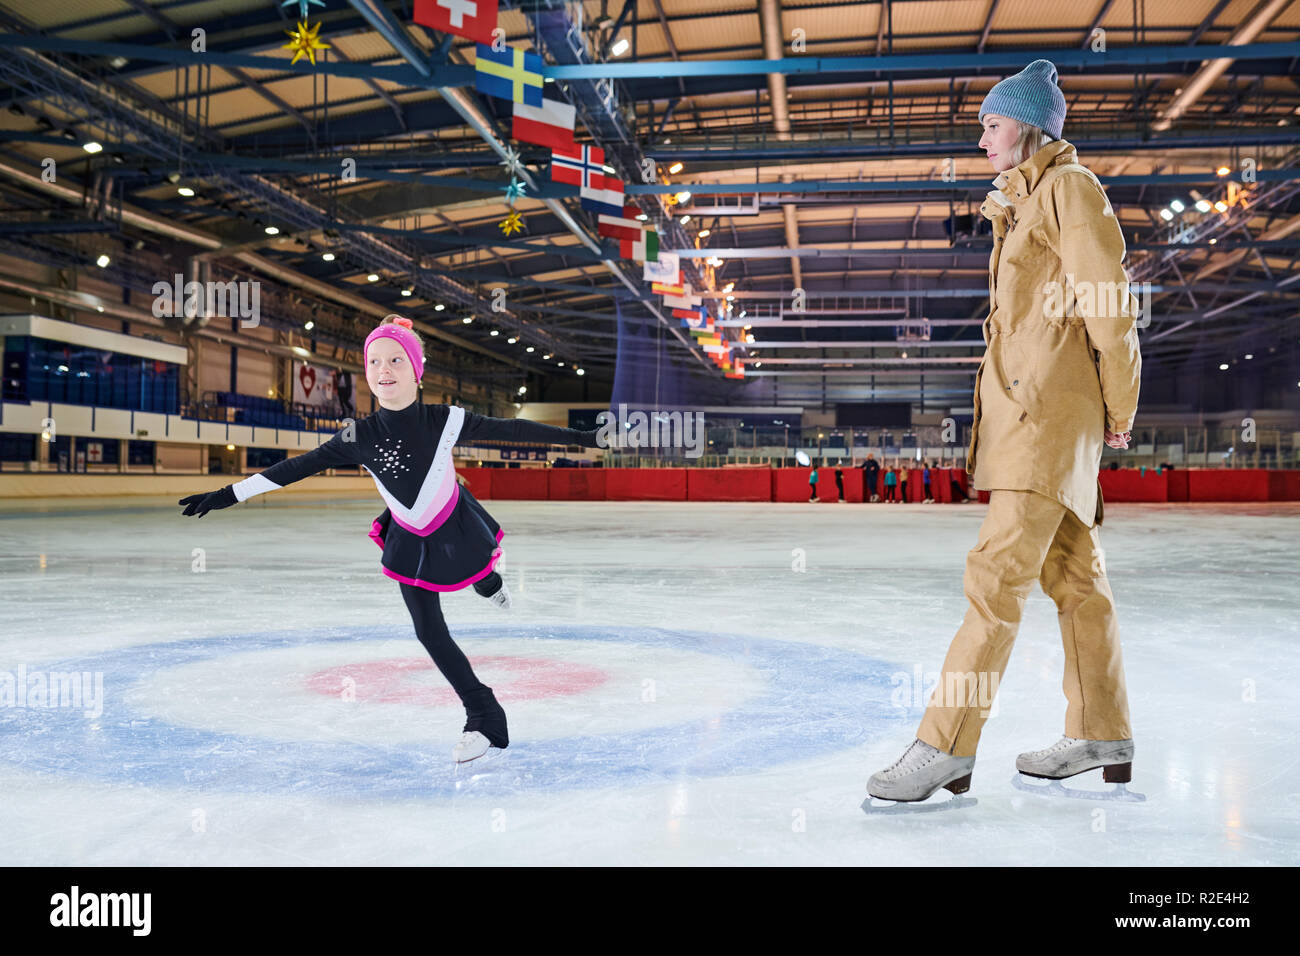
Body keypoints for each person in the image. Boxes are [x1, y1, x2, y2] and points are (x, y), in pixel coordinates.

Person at [868, 59, 1141, 803]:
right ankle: (1102, 732)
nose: (981, 135)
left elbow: (1110, 307)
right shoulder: (1022, 203)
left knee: (994, 583)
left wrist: (1120, 408)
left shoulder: (1068, 190)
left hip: (1049, 420)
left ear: (1027, 126)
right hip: (1038, 416)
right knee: (1077, 580)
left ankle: (943, 746)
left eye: (991, 122)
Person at [178, 315, 604, 765]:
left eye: (397, 359)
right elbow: (296, 467)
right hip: (410, 534)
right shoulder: (357, 436)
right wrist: (230, 493)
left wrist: (583, 438)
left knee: (478, 565)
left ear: (417, 371)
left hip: (452, 520)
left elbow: (516, 430)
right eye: (375, 360)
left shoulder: (446, 420)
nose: (385, 368)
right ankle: (485, 715)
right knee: (428, 631)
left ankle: (489, 583)